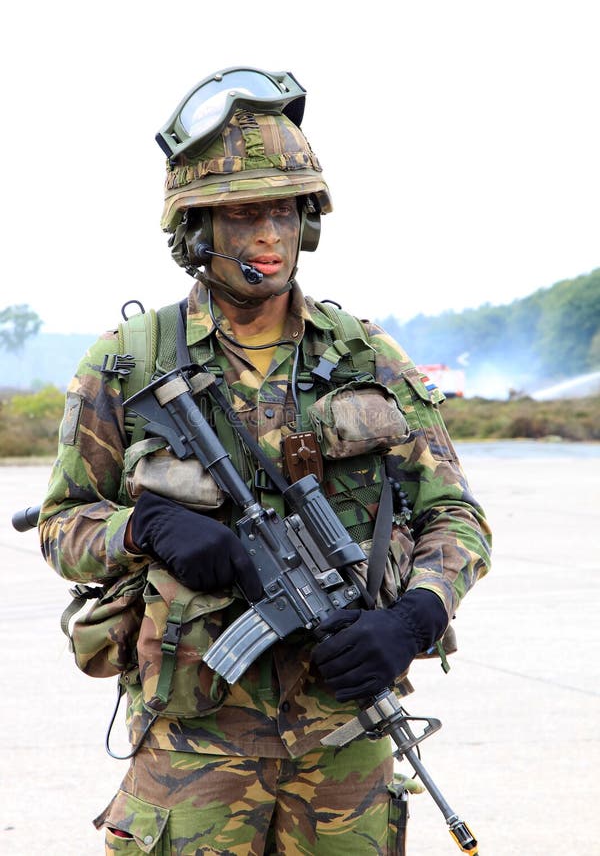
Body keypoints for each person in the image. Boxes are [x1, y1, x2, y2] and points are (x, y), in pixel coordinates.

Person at [39, 66, 492, 855]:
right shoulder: (125, 364)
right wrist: (144, 529)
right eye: (243, 216)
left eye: (285, 213)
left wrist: (414, 618)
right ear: (196, 229)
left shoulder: (367, 358)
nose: (269, 238)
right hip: (193, 748)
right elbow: (60, 525)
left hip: (344, 739)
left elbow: (457, 518)